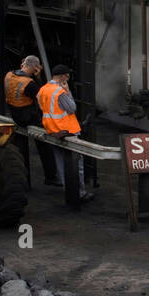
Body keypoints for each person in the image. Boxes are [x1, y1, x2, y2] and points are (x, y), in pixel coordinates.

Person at [38, 65, 93, 209]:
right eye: (67, 76)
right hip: (67, 131)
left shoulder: (43, 89)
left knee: (61, 163)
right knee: (77, 165)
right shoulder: (60, 91)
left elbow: (42, 106)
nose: (68, 79)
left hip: (52, 130)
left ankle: (67, 190)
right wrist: (67, 91)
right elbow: (72, 108)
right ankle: (80, 192)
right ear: (62, 77)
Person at [4, 55, 58, 187]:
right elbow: (42, 95)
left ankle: (25, 181)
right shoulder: (29, 83)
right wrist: (38, 77)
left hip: (14, 114)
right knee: (44, 144)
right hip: (27, 117)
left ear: (23, 63)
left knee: (21, 149)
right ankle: (51, 176)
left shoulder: (9, 75)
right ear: (35, 68)